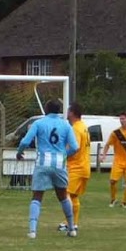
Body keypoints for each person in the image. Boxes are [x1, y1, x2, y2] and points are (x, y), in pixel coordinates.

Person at [15, 98, 79, 239]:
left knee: (37, 197)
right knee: (63, 196)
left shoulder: (38, 123)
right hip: (59, 164)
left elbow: (25, 141)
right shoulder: (66, 125)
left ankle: (32, 231)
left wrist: (19, 153)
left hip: (43, 163)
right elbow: (75, 147)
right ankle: (72, 228)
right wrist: (64, 156)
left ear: (46, 109)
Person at [58, 103, 92, 234]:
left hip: (76, 168)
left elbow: (74, 148)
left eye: (68, 111)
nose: (66, 114)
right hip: (85, 167)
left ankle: (68, 223)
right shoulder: (83, 127)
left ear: (72, 113)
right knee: (73, 196)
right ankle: (74, 223)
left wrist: (62, 155)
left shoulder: (76, 129)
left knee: (65, 195)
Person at [102, 113, 126, 207]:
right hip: (118, 160)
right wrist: (103, 155)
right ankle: (113, 199)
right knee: (112, 181)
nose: (122, 120)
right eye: (120, 119)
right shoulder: (116, 133)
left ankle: (124, 202)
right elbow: (107, 144)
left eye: (123, 119)